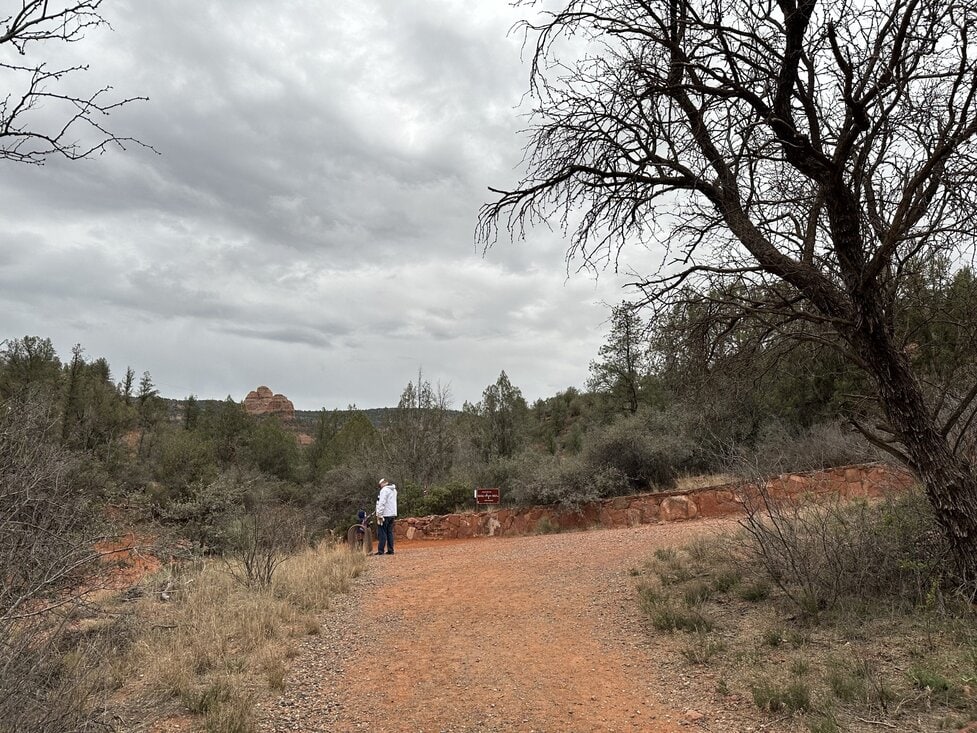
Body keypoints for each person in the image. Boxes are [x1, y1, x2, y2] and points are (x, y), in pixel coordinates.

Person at [375, 478, 398, 555]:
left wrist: (379, 514)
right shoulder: (394, 490)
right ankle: (390, 550)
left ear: (382, 484)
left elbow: (382, 502)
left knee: (382, 532)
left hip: (385, 514)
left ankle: (381, 550)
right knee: (389, 532)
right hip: (392, 514)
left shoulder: (384, 490)